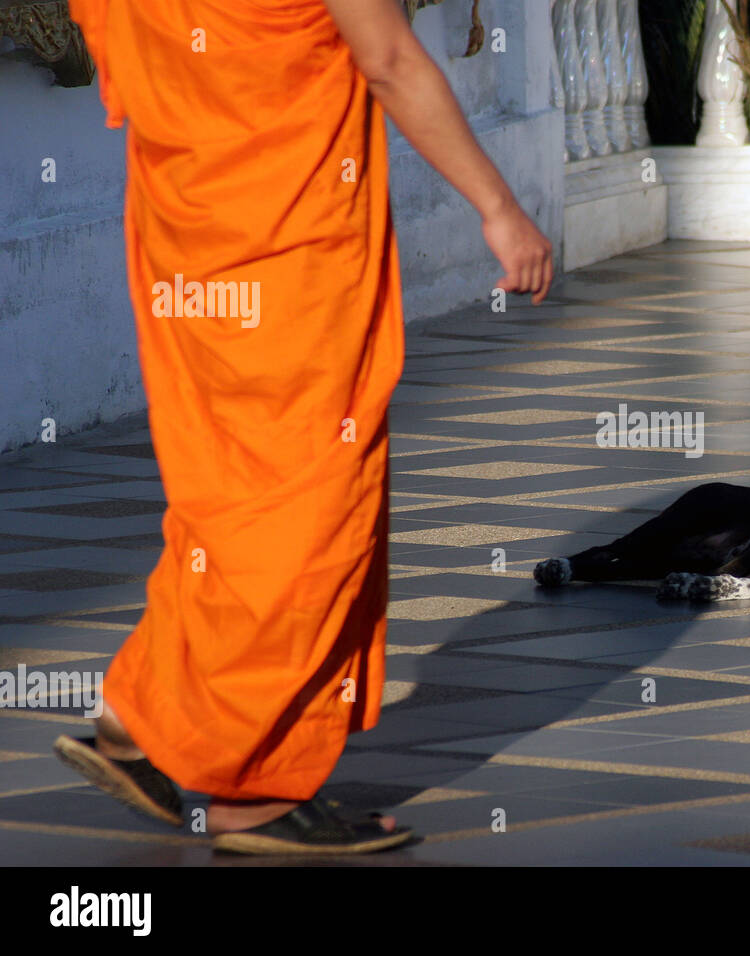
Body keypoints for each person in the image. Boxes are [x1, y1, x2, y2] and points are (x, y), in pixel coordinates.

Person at [55, 0, 552, 854]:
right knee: (300, 507)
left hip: (187, 222)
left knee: (229, 497)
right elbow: (389, 58)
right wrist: (499, 206)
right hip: (286, 245)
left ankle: (139, 715)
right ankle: (251, 789)